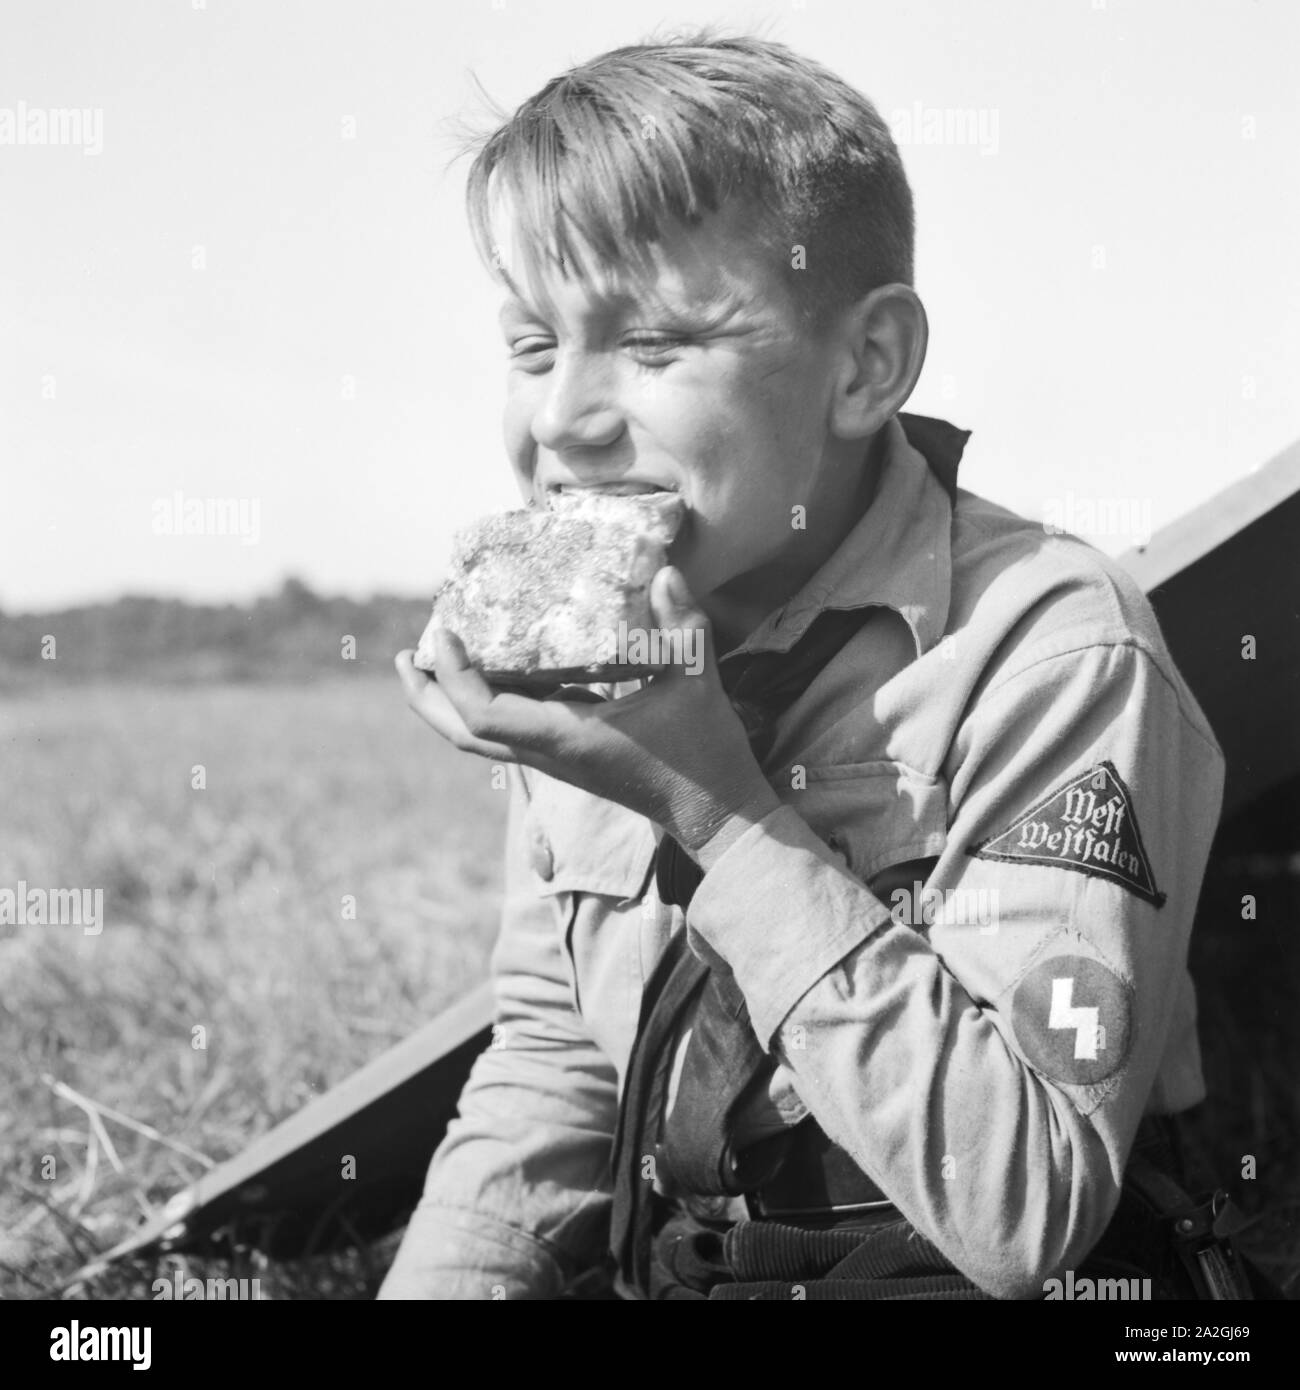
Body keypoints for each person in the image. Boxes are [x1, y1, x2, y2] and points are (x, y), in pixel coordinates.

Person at [381, 31, 1227, 1300]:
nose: (561, 420)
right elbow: (557, 1057)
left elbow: (1031, 1200)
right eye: (533, 346)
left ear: (866, 365)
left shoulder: (1049, 644)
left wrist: (717, 812)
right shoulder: (600, 641)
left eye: (655, 345)